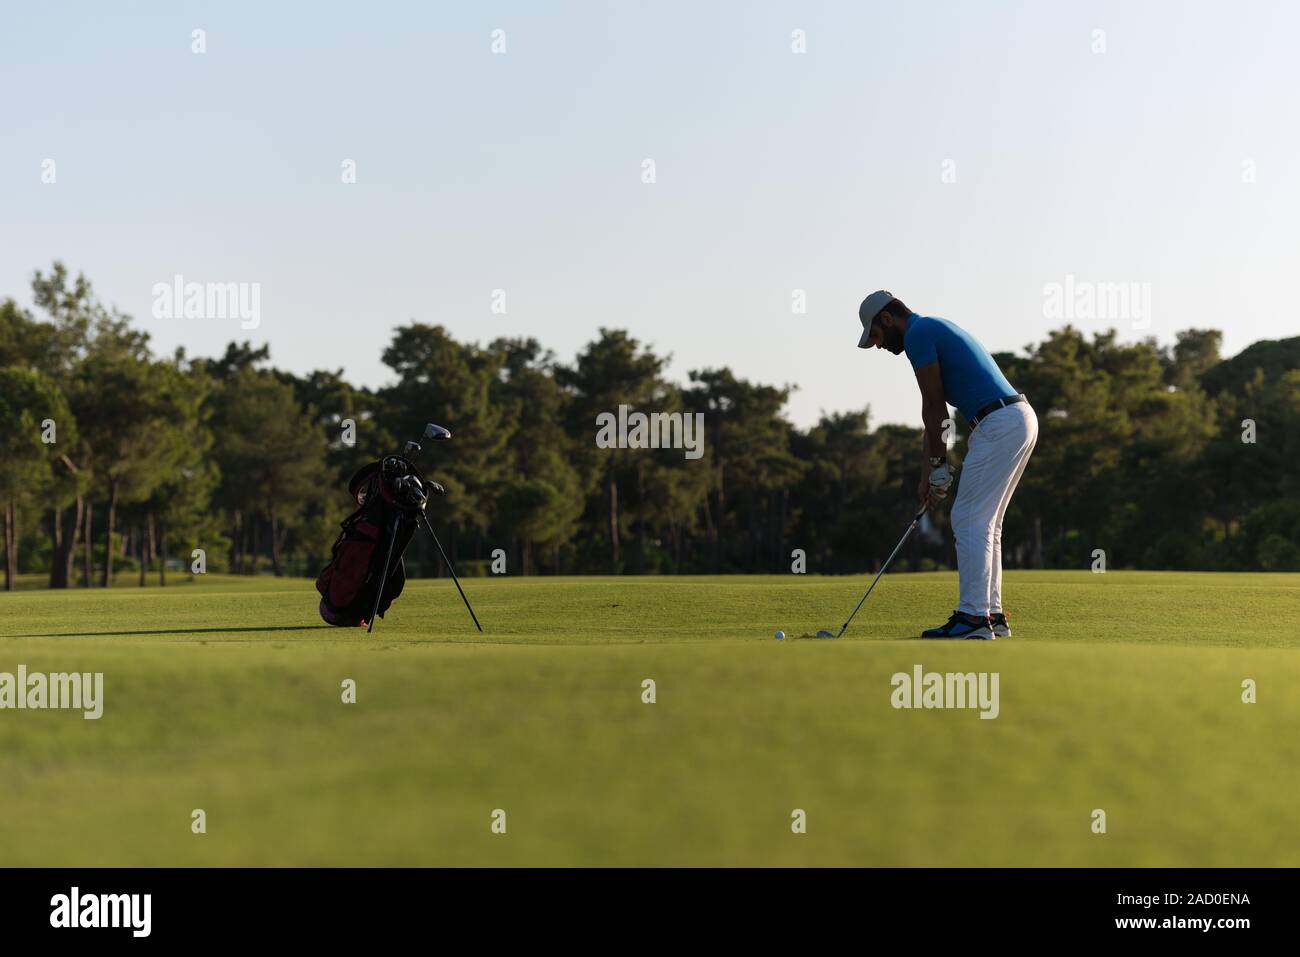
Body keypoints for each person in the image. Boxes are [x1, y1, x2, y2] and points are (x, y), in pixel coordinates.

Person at [857, 290, 1038, 640]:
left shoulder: (918, 335)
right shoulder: (931, 326)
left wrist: (940, 465)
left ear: (886, 318)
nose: (878, 346)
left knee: (968, 518)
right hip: (1017, 418)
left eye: (876, 336)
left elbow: (934, 406)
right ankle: (991, 615)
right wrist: (929, 472)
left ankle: (972, 619)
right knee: (986, 522)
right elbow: (934, 415)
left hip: (1000, 422)